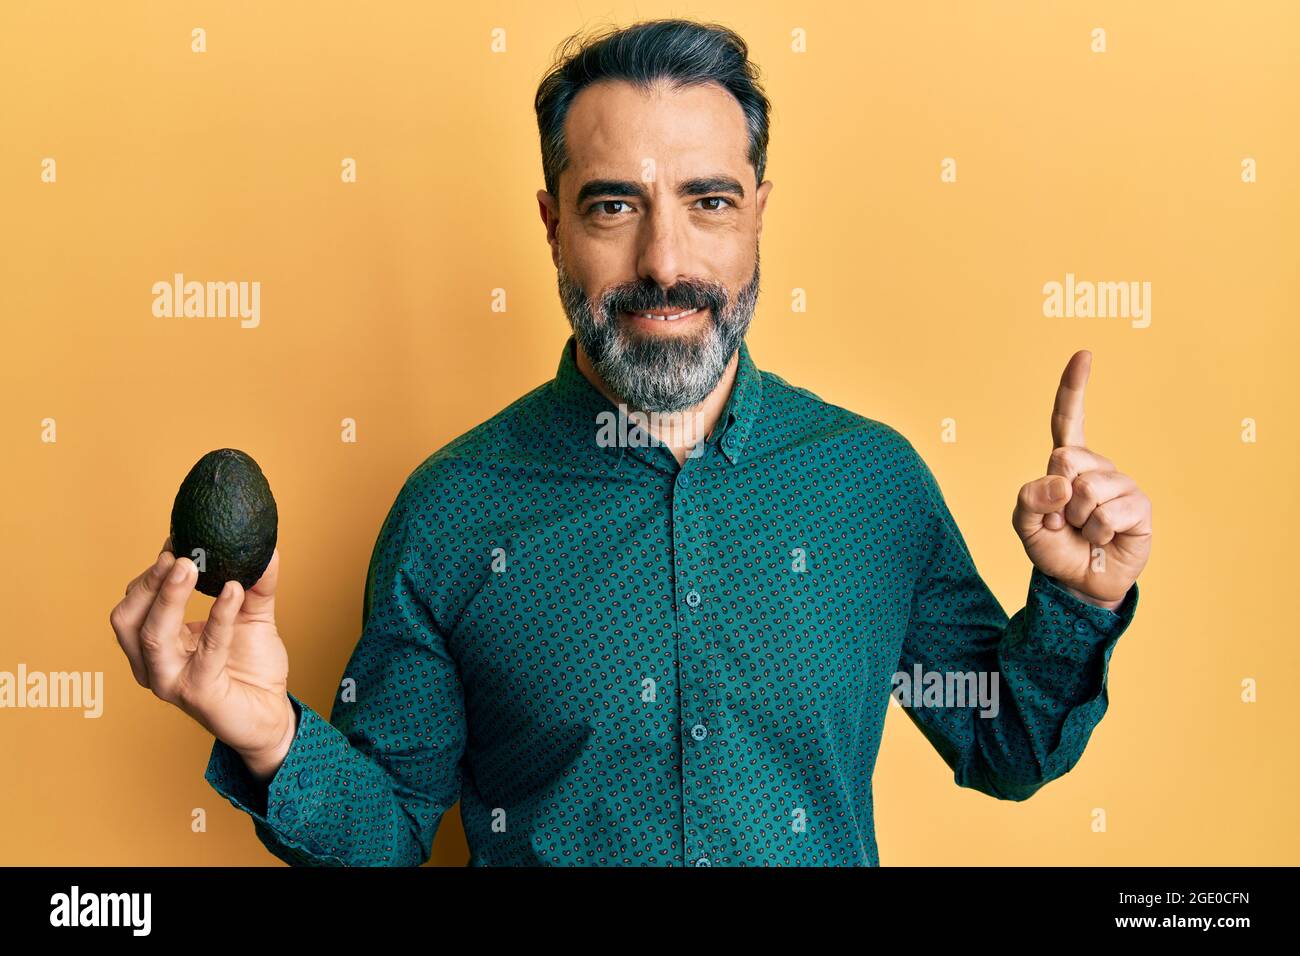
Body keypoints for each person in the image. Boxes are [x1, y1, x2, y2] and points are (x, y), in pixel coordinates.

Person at [108, 18, 1151, 867]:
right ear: (552, 222)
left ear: (757, 217)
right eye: (614, 205)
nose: (664, 260)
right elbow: (391, 835)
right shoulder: (451, 511)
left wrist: (1077, 602)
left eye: (708, 202)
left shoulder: (870, 485)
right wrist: (269, 734)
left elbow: (1005, 743)